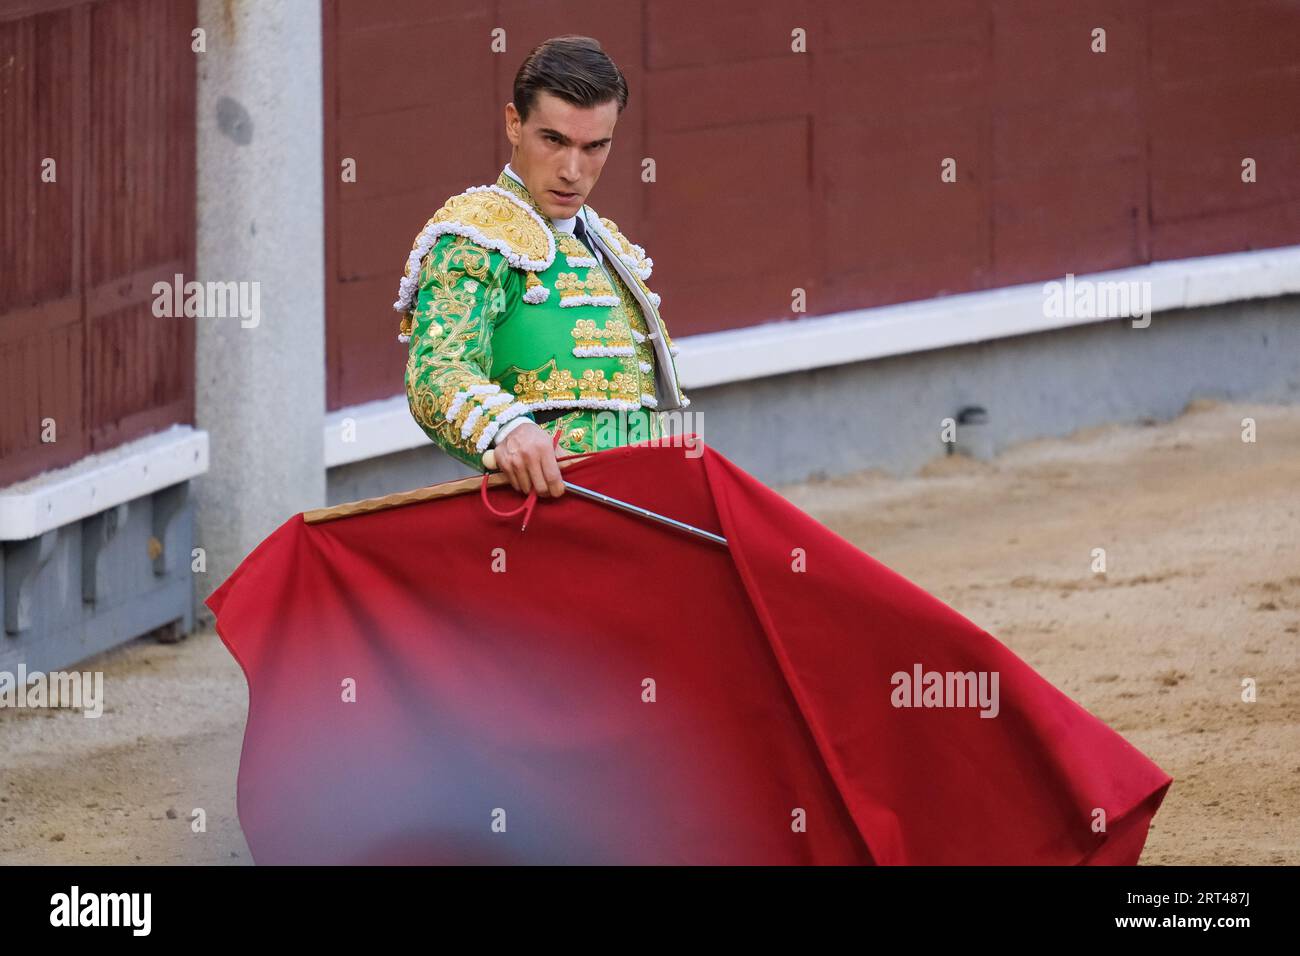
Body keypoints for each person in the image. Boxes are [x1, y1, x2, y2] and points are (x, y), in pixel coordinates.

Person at [395, 35, 689, 500]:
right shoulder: (475, 237)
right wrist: (508, 430)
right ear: (515, 124)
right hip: (545, 510)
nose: (573, 170)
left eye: (595, 146)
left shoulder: (607, 243)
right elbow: (436, 370)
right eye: (553, 140)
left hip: (639, 500)